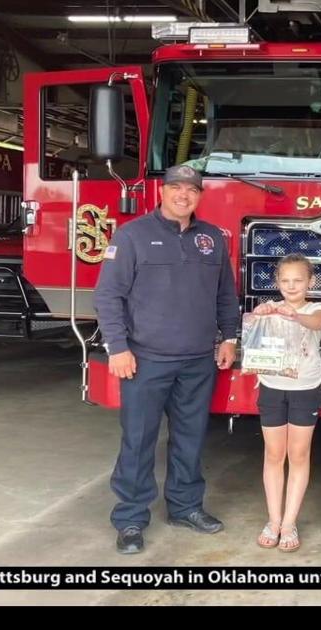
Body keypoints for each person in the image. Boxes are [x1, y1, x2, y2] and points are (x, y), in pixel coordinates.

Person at [93, 163, 239, 554]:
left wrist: (230, 339)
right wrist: (118, 348)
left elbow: (226, 295)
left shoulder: (212, 239)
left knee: (189, 439)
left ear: (200, 196)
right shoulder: (132, 236)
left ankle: (185, 507)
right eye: (175, 188)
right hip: (145, 360)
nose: (183, 195)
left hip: (197, 360)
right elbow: (108, 296)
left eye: (191, 190)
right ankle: (130, 519)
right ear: (161, 192)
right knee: (139, 441)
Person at [250, 253, 321, 553]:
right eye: (285, 281)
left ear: (311, 282)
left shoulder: (316, 308)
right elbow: (255, 338)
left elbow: (317, 321)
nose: (291, 286)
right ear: (276, 282)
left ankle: (289, 523)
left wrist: (294, 316)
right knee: (273, 454)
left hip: (305, 389)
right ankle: (273, 520)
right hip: (271, 388)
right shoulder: (270, 309)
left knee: (298, 455)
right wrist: (261, 316)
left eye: (298, 280)